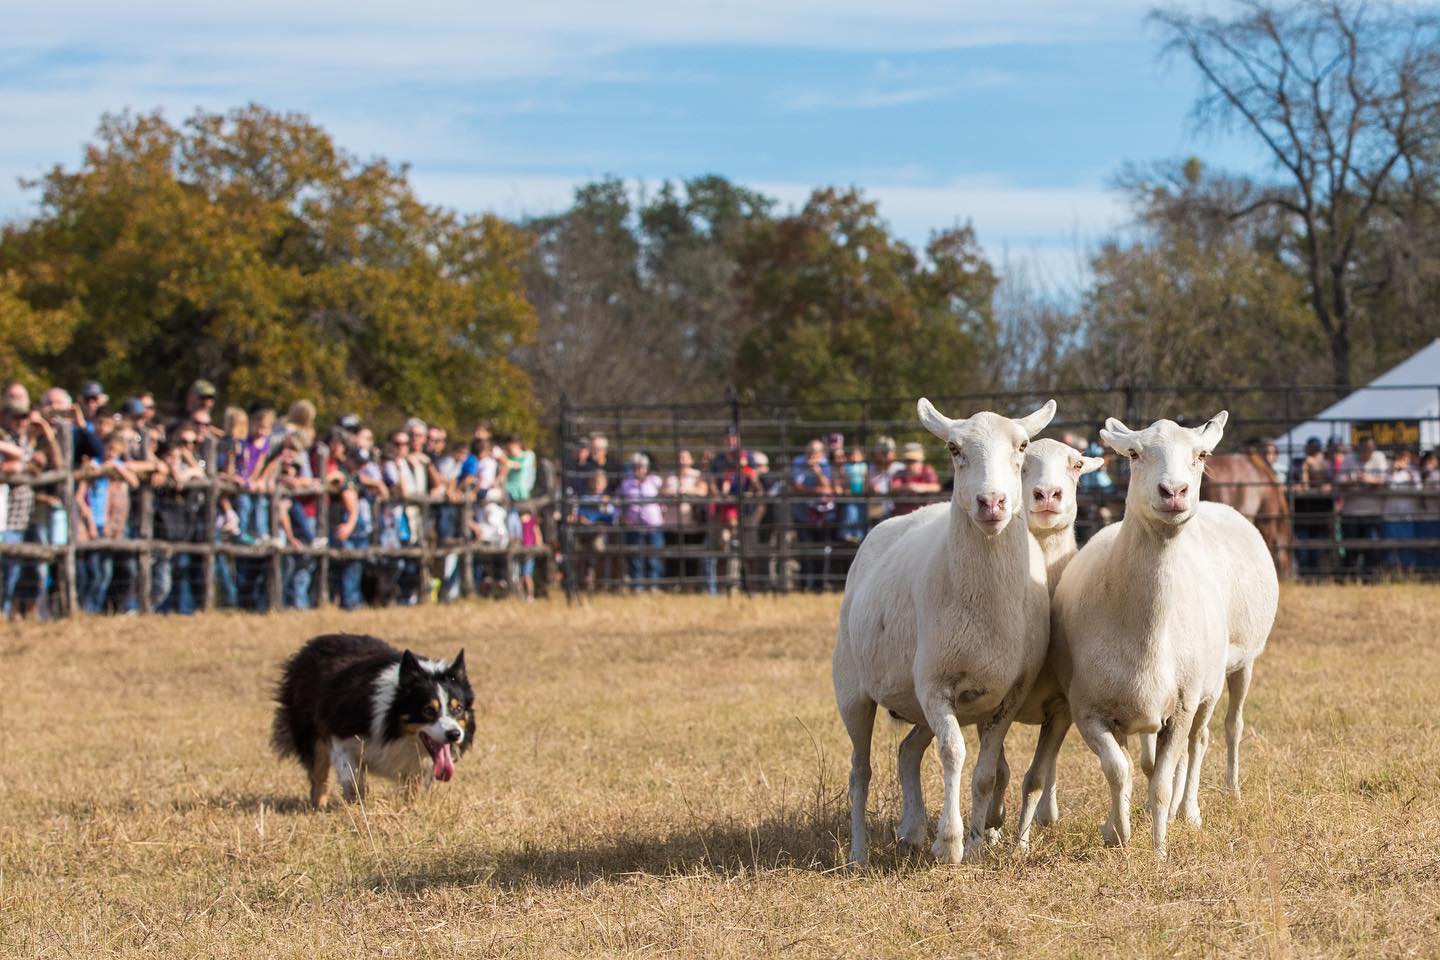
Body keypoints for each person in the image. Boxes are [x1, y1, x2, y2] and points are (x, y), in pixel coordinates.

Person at [75, 432, 139, 613]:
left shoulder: (118, 467)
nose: (111, 453)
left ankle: (97, 608)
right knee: (94, 572)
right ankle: (87, 608)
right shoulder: (94, 465)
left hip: (109, 525)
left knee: (106, 572)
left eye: (116, 451)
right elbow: (80, 496)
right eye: (109, 449)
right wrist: (90, 522)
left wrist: (117, 467)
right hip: (93, 523)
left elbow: (134, 483)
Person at [790, 439, 834, 592]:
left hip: (824, 516)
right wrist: (815, 490)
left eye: (814, 452)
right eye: (808, 452)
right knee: (805, 550)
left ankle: (819, 585)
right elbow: (796, 486)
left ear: (821, 453)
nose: (811, 455)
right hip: (803, 515)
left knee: (821, 551)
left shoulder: (826, 465)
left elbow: (828, 487)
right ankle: (804, 585)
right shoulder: (798, 463)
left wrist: (817, 471)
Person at [1339, 436, 1388, 573]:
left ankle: (1369, 577)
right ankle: (1350, 576)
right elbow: (1339, 481)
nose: (1366, 451)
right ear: (1358, 448)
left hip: (1373, 512)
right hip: (1351, 513)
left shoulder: (1379, 457)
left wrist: (1368, 480)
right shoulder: (1348, 459)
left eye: (1369, 448)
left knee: (1372, 547)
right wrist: (1356, 480)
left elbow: (1384, 480)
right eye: (1364, 448)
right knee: (1351, 548)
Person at [619, 453, 664, 591]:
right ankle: (637, 586)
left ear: (646, 468)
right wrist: (623, 517)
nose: (638, 470)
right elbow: (620, 504)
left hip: (653, 525)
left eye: (641, 467)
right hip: (634, 525)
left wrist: (662, 512)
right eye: (635, 467)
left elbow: (664, 498)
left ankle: (653, 585)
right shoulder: (626, 484)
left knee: (653, 557)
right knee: (635, 557)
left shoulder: (655, 481)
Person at [1384, 448, 1422, 569]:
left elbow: (1419, 489)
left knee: (1407, 544)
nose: (1404, 461)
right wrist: (1394, 470)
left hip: (1407, 515)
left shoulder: (1413, 472)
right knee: (1391, 545)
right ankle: (1392, 570)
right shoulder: (1389, 470)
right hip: (1391, 515)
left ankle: (1407, 570)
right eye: (1401, 458)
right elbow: (1388, 487)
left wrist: (1411, 476)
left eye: (1406, 458)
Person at [889, 442, 939, 518]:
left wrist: (920, 487)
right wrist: (908, 487)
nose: (910, 464)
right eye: (908, 461)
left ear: (921, 461)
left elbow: (936, 487)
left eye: (914, 461)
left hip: (924, 515)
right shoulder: (899, 473)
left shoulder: (928, 471)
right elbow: (893, 487)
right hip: (902, 516)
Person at [838, 446, 869, 543]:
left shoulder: (863, 466)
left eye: (857, 455)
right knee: (850, 512)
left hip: (861, 494)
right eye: (852, 455)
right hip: (850, 493)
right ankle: (847, 533)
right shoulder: (846, 466)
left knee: (861, 513)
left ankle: (859, 534)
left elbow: (866, 478)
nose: (854, 457)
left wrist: (865, 489)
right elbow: (844, 479)